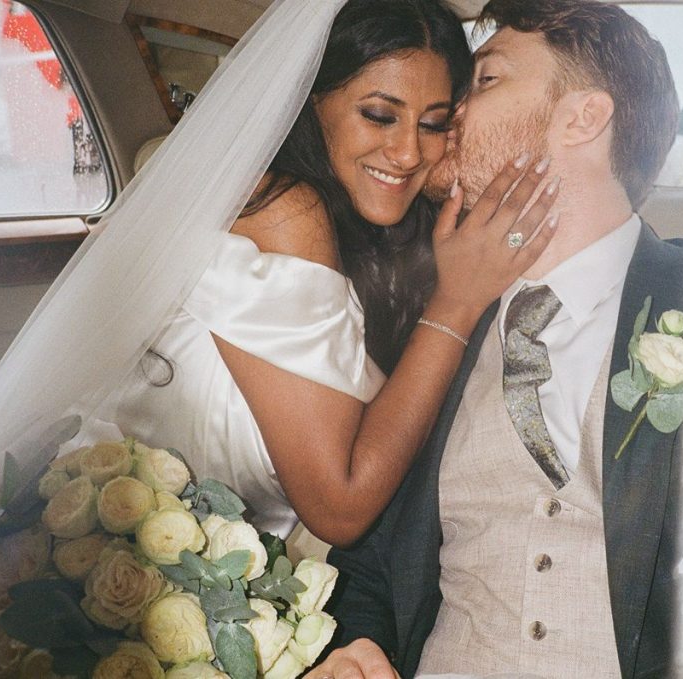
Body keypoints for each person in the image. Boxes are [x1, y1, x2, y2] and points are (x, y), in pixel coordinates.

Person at [314, 1, 683, 677]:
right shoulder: (431, 322)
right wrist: (358, 645)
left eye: (486, 79)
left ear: (583, 117)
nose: (450, 111)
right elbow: (365, 570)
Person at [81, 0, 558, 548]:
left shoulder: (374, 234)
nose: (407, 153)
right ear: (310, 102)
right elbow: (340, 507)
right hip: (120, 560)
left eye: (433, 123)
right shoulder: (285, 212)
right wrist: (457, 304)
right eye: (379, 115)